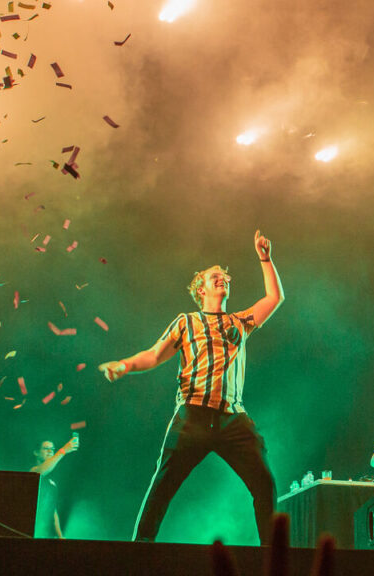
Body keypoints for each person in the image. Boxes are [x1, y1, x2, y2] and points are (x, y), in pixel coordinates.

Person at [100, 230, 285, 544]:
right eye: (215, 276)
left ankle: (273, 557)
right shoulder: (186, 322)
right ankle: (138, 552)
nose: (222, 278)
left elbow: (274, 298)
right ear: (201, 289)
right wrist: (125, 365)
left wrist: (265, 259)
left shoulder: (240, 321)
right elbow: (154, 355)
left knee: (265, 485)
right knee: (163, 487)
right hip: (192, 417)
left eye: (225, 276)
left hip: (232, 419)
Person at [29, 433, 78, 537]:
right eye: (46, 448)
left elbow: (53, 511)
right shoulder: (33, 472)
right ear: (36, 452)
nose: (50, 451)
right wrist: (63, 450)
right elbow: (40, 471)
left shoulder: (52, 483)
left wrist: (60, 536)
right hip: (33, 532)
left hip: (47, 535)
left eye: (52, 449)